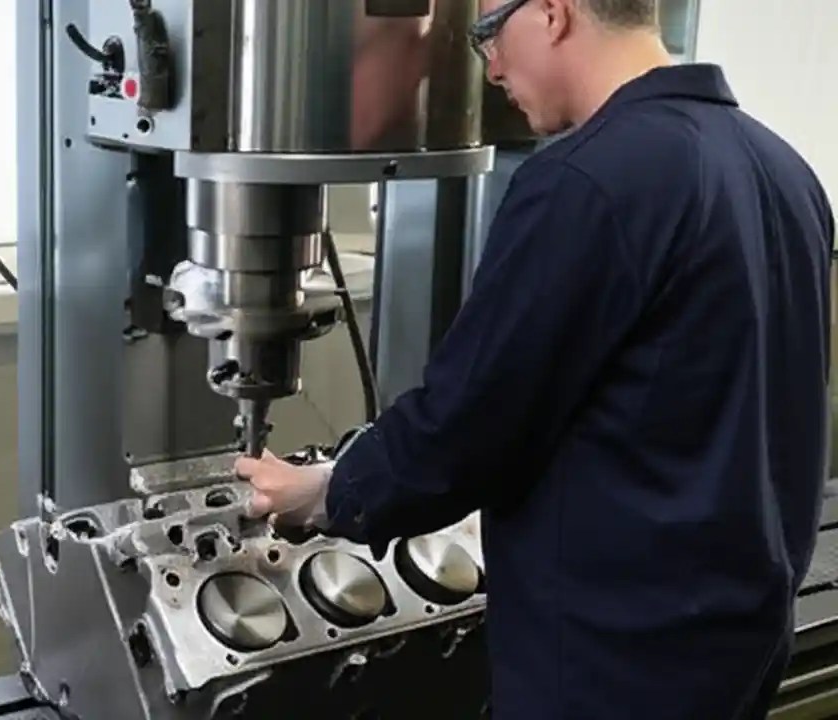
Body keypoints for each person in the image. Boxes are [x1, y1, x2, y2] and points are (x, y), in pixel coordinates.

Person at [234, 0, 835, 718]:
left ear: (552, 12)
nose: (488, 66)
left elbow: (470, 423)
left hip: (612, 662)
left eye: (488, 30)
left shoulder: (587, 182)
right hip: (738, 643)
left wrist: (329, 492)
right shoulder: (782, 169)